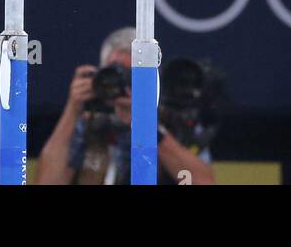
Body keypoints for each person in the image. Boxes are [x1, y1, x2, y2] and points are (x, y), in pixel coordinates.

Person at [37, 27, 218, 185]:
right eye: (115, 73)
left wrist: (147, 125)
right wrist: (72, 110)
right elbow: (47, 182)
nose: (124, 85)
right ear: (101, 74)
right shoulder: (87, 121)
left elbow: (203, 182)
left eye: (133, 76)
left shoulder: (171, 121)